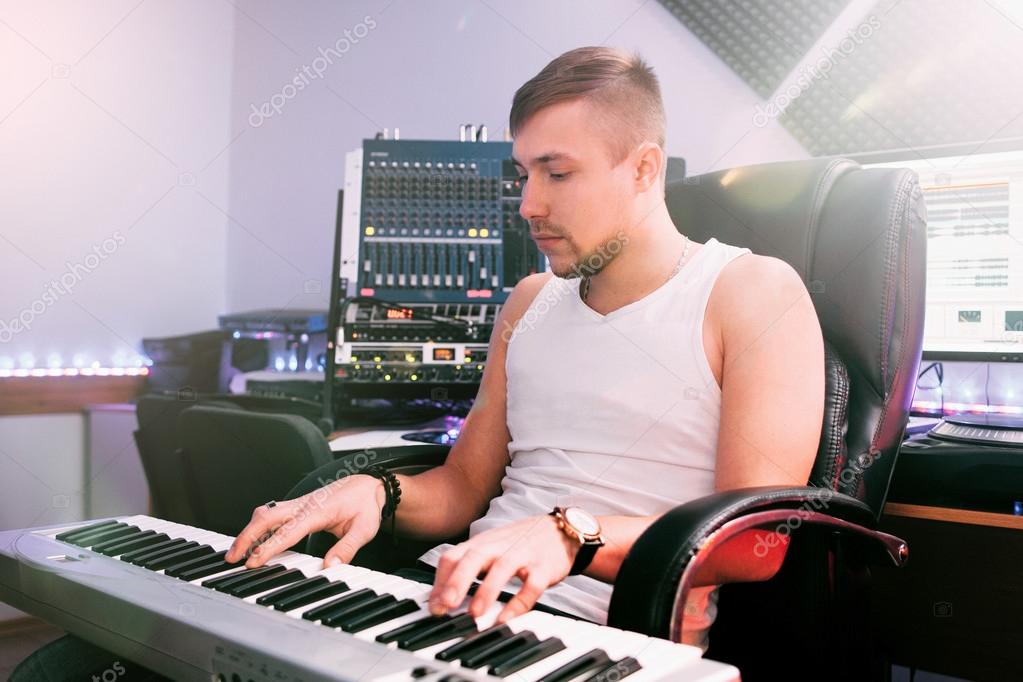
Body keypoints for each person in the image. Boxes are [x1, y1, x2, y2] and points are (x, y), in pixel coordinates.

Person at [13, 45, 823, 679]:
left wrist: (568, 536)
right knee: (66, 665)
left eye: (557, 173)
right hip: (438, 597)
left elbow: (753, 543)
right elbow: (463, 490)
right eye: (523, 173)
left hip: (587, 636)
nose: (528, 204)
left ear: (643, 167)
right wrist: (377, 487)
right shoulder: (529, 303)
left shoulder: (749, 293)